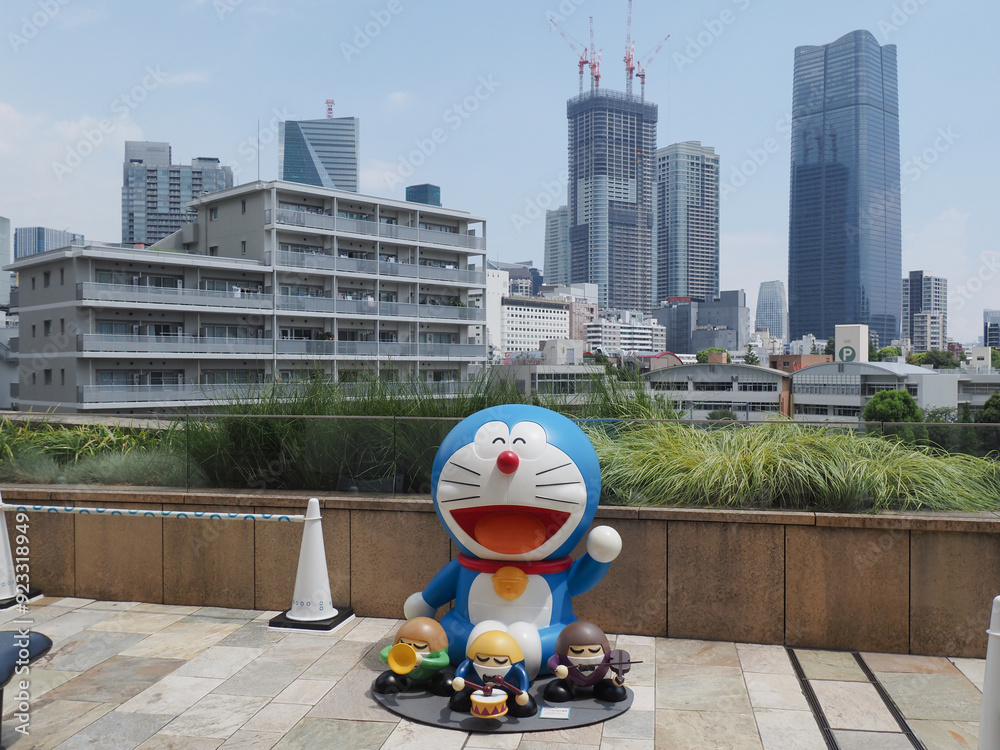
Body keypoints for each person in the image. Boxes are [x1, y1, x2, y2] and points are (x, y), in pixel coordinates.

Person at [544, 620, 631, 703]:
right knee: (557, 693)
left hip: (598, 679)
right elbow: (552, 662)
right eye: (577, 651)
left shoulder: (607, 655)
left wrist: (618, 675)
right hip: (570, 680)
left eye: (594, 650)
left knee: (615, 692)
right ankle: (567, 687)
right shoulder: (562, 654)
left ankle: (601, 688)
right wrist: (557, 669)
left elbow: (615, 659)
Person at [373, 617, 452, 696]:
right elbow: (383, 654)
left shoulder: (438, 651)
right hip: (403, 673)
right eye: (405, 644)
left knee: (446, 684)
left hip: (432, 675)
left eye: (420, 647)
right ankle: (398, 681)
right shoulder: (396, 646)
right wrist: (392, 657)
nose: (412, 650)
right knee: (384, 682)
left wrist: (421, 661)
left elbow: (444, 661)